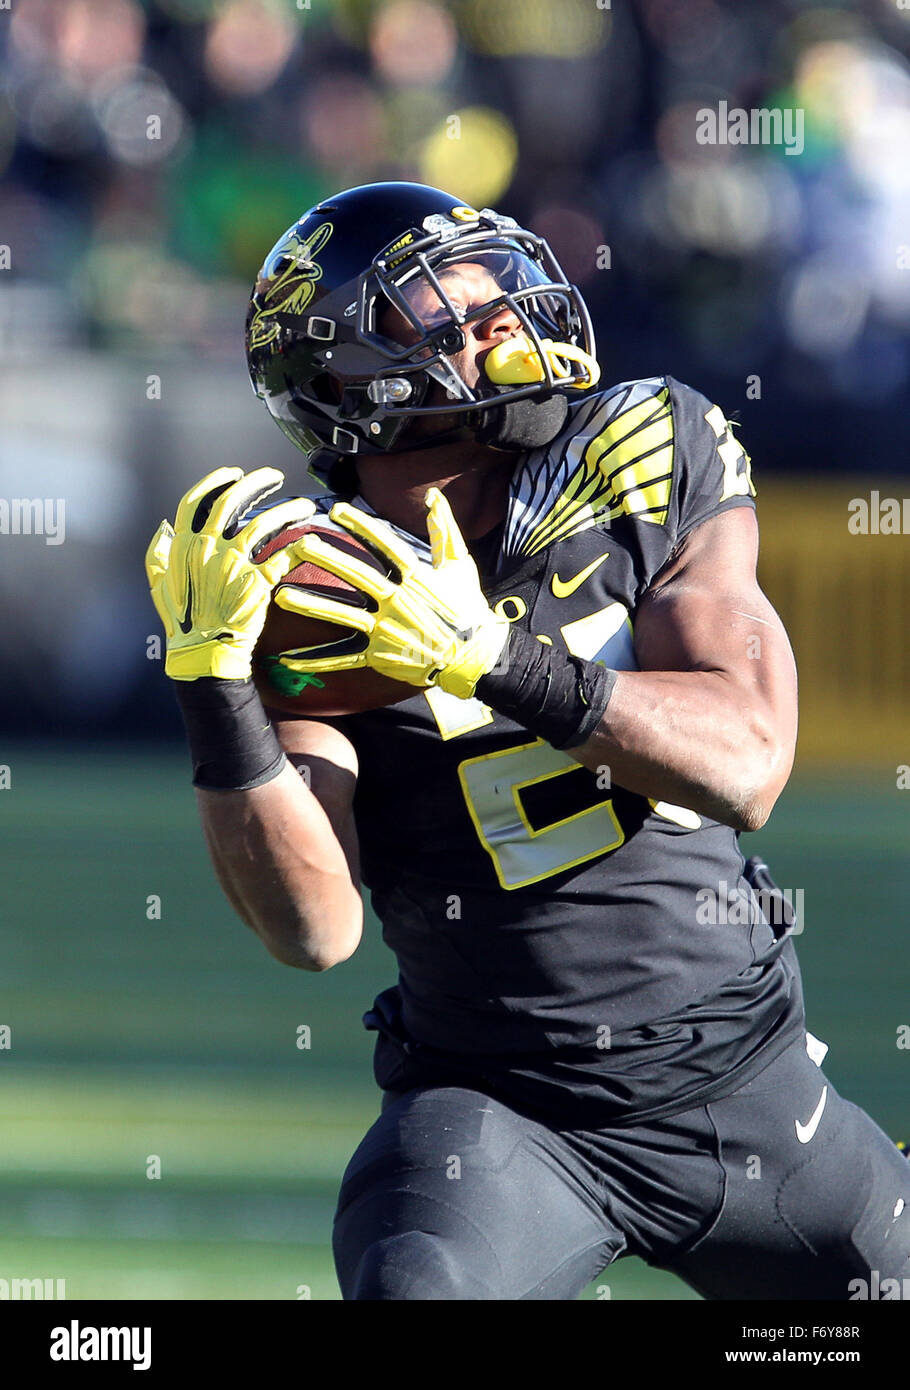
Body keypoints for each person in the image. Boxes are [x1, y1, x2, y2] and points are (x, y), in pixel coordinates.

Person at [146, 182, 910, 1300]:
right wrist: (213, 689)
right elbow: (312, 926)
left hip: (747, 1083)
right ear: (351, 366)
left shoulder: (639, 443)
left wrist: (497, 661)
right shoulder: (310, 587)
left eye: (494, 279)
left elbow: (748, 761)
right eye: (443, 300)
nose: (502, 308)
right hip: (504, 1113)